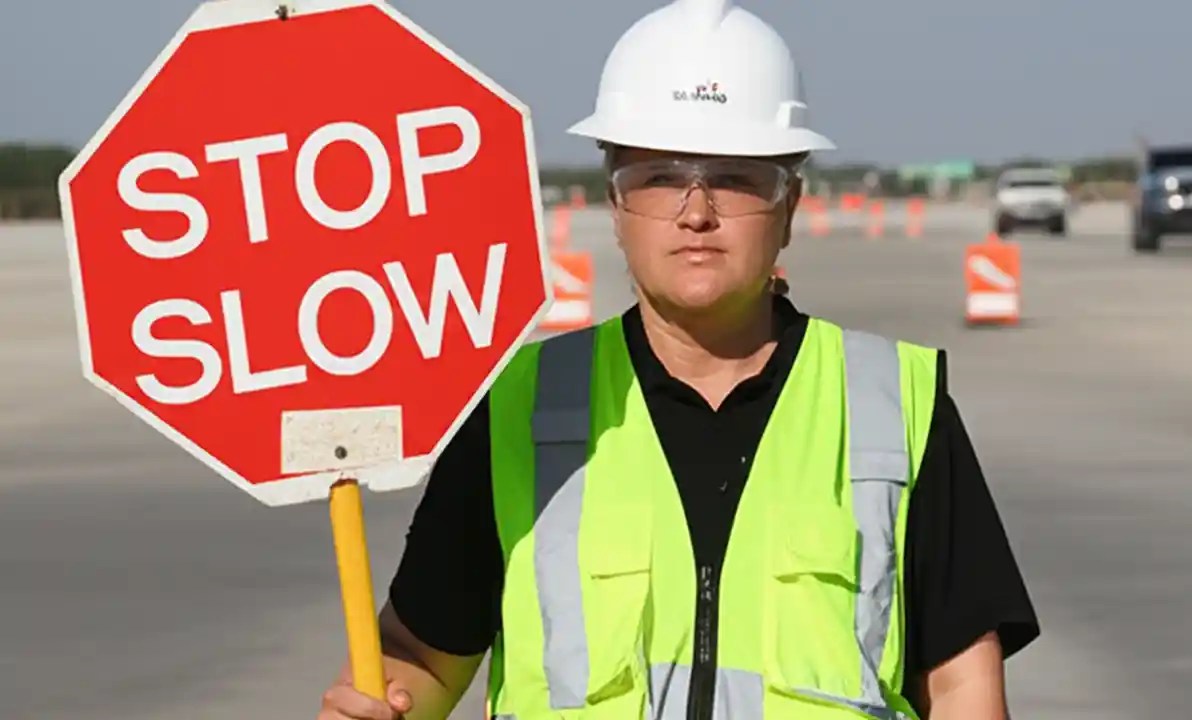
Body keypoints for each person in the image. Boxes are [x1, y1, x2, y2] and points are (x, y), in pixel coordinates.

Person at [318, 1, 1039, 718]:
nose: (697, 212)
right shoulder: (518, 408)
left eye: (734, 176)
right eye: (660, 176)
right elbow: (421, 652)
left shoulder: (896, 406)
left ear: (789, 206)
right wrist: (384, 700)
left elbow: (961, 687)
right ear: (615, 204)